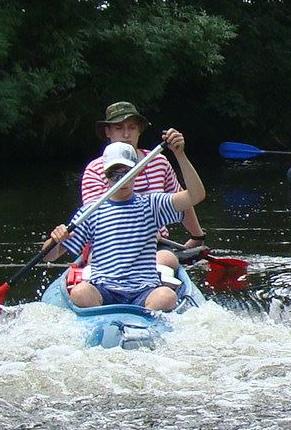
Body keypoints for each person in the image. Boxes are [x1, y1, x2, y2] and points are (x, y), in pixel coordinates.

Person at [46, 132, 207, 311]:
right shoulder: (90, 212)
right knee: (80, 292)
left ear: (136, 172)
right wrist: (55, 239)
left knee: (166, 296)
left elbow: (196, 195)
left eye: (127, 173)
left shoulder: (152, 204)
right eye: (115, 174)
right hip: (104, 289)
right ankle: (106, 319)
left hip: (144, 290)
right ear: (106, 175)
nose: (121, 180)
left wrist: (180, 154)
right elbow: (50, 256)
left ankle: (144, 321)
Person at [79, 101, 204, 271]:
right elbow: (93, 221)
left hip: (155, 247)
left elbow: (183, 200)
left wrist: (197, 236)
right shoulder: (95, 169)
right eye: (118, 128)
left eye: (131, 127)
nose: (126, 134)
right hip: (109, 246)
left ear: (139, 130)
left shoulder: (159, 161)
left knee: (166, 260)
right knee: (95, 262)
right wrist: (138, 234)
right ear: (108, 132)